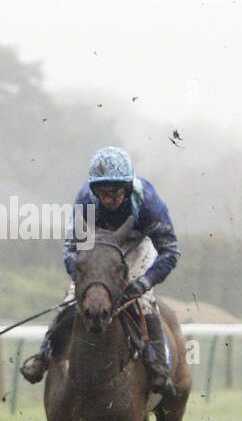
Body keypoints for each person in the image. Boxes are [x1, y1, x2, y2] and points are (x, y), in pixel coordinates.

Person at [19, 146, 179, 392]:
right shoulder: (85, 200)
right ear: (93, 189)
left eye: (116, 191)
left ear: (128, 187)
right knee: (71, 298)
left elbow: (170, 252)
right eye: (102, 191)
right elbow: (71, 249)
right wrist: (82, 280)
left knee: (145, 302)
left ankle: (159, 367)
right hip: (98, 253)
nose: (109, 199)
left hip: (137, 250)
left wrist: (143, 283)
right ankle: (43, 356)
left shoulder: (148, 202)